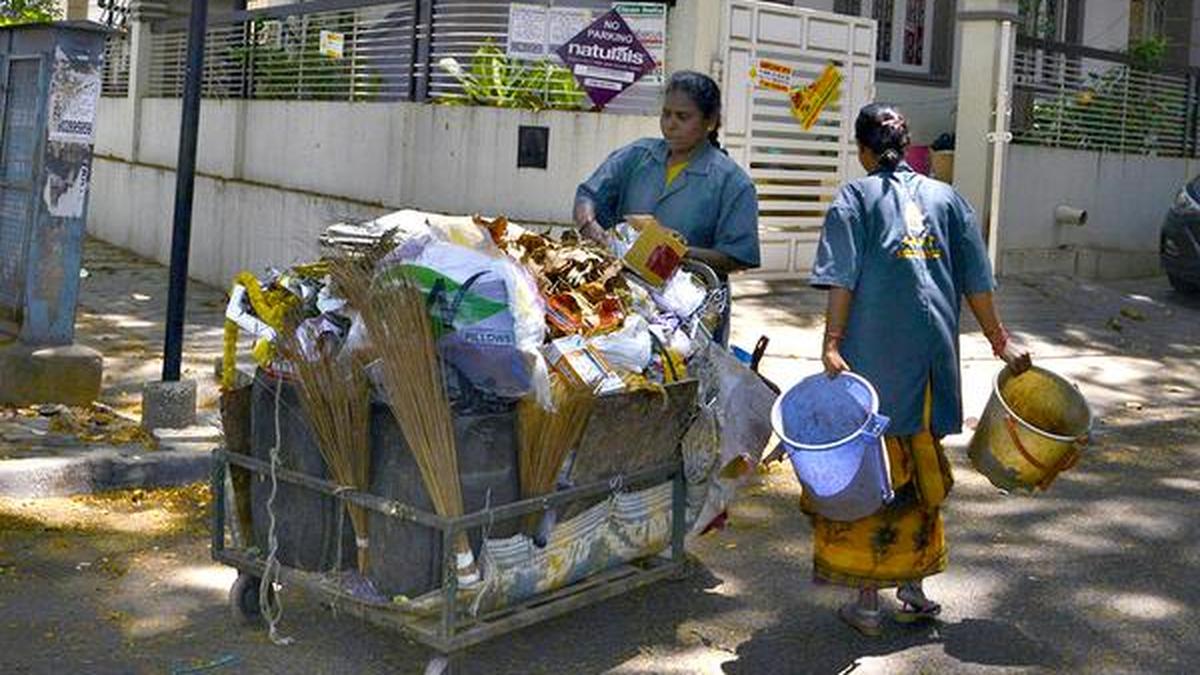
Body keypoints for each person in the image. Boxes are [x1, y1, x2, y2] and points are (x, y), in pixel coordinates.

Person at [808, 103, 1032, 636]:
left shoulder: (853, 198)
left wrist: (832, 342)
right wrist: (1000, 342)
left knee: (874, 474)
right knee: (921, 467)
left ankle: (867, 603)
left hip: (872, 367)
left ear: (862, 151)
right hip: (930, 366)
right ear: (910, 148)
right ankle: (913, 589)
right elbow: (977, 280)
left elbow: (843, 277)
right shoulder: (948, 199)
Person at [574, 71, 761, 342]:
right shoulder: (638, 156)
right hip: (626, 297)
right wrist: (589, 226)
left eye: (682, 117)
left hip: (689, 308)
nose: (670, 125)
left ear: (709, 122)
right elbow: (588, 195)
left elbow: (738, 255)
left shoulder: (732, 182)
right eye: (666, 114)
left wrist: (675, 252)